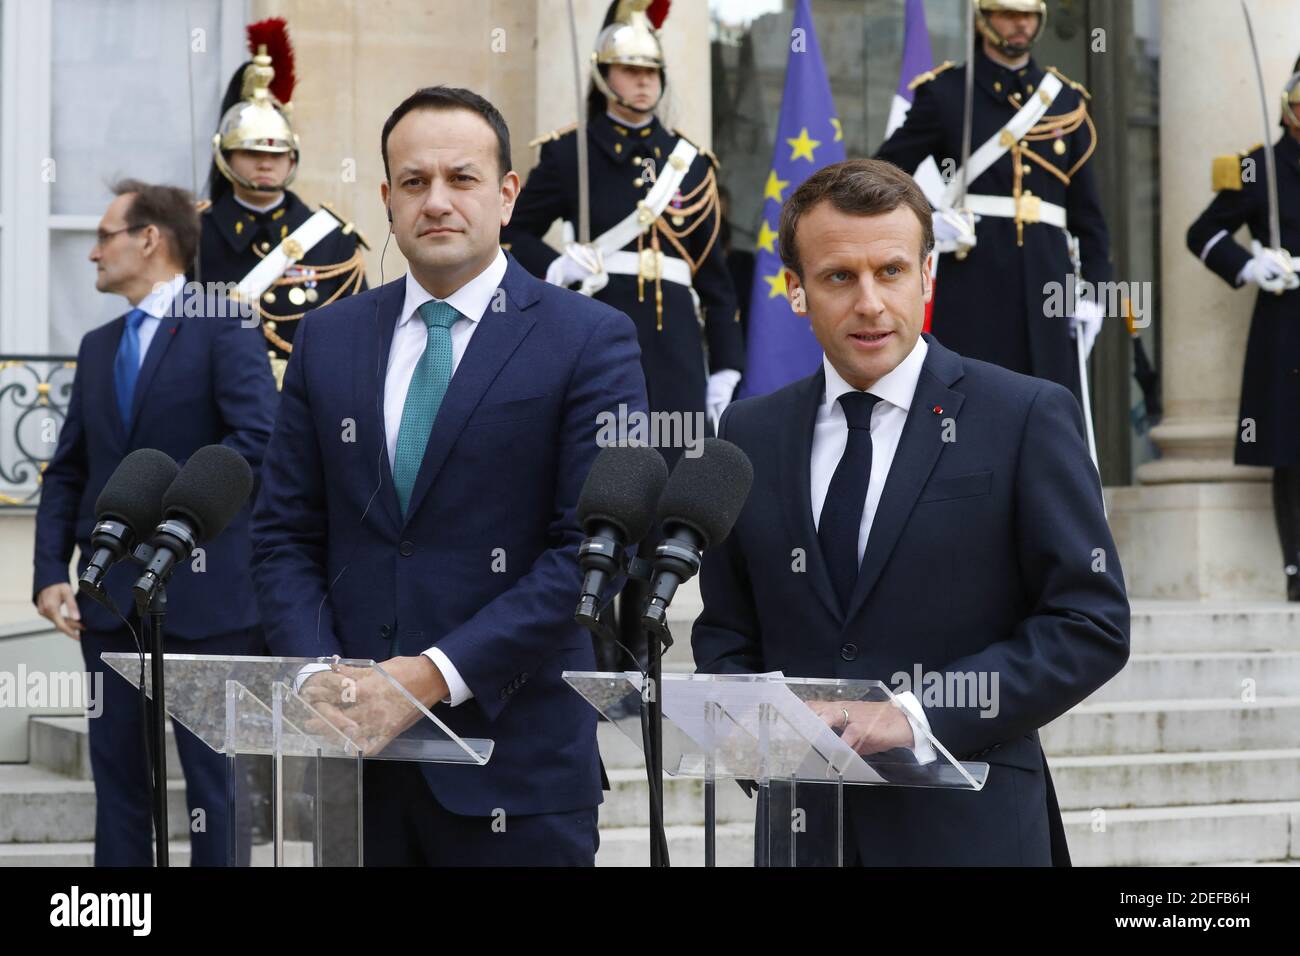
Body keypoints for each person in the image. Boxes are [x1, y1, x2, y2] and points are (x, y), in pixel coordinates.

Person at [691, 158, 1130, 866]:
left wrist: (912, 718)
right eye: (839, 277)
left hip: (972, 832)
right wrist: (757, 737)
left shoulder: (1023, 416)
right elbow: (726, 631)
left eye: (891, 271)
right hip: (805, 835)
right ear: (794, 292)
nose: (869, 303)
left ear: (927, 276)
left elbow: (1089, 623)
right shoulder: (748, 433)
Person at [250, 86, 648, 866]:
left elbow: (591, 553)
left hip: (518, 775)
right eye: (414, 181)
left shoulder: (589, 340)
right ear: (387, 200)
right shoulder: (328, 339)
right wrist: (319, 676)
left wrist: (430, 677)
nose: (437, 201)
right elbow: (283, 535)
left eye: (462, 179)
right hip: (356, 776)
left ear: (505, 196)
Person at [32, 180, 277, 866]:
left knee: (215, 783)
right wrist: (50, 570)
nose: (92, 254)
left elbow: (255, 440)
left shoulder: (223, 324)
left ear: (149, 239)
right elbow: (71, 467)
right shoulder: (99, 343)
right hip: (109, 602)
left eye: (105, 235)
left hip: (207, 598)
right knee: (118, 781)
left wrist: (180, 519)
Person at [502, 0, 743, 672]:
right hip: (598, 336)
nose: (641, 84)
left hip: (672, 352)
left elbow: (715, 275)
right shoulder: (570, 152)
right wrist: (553, 262)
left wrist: (726, 365)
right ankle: (592, 639)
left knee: (667, 496)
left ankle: (642, 648)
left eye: (650, 73)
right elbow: (509, 228)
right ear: (604, 76)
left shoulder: (692, 165)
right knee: (600, 485)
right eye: (628, 72)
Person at [876, 0, 1112, 402]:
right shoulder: (948, 92)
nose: (1021, 23)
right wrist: (928, 223)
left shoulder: (1066, 101)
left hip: (1050, 277)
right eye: (1008, 12)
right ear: (983, 18)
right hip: (975, 276)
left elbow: (1088, 216)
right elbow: (881, 176)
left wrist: (1097, 294)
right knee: (973, 399)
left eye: (1030, 14)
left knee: (1051, 404)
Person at [201, 17, 367, 389]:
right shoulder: (193, 233)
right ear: (224, 155)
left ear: (293, 157)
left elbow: (356, 340)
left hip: (302, 401)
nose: (265, 162)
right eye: (250, 150)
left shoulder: (332, 239)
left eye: (277, 152)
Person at [1186, 59, 1300, 600]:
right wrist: (1250, 265)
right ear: (1288, 107)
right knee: (1292, 451)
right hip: (1288, 321)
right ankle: (1296, 569)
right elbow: (1203, 233)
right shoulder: (1261, 167)